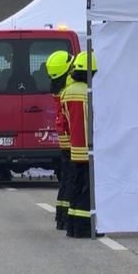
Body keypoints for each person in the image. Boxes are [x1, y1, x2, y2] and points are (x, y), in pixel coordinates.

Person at [62, 51, 96, 238]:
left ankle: (72, 226)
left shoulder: (68, 91)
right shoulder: (88, 92)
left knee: (76, 188)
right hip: (88, 147)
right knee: (87, 189)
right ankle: (84, 227)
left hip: (75, 147)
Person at [45, 50, 74, 230]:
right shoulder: (70, 88)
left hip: (65, 141)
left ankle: (62, 215)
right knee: (71, 179)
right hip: (74, 141)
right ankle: (66, 216)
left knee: (66, 180)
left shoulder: (57, 88)